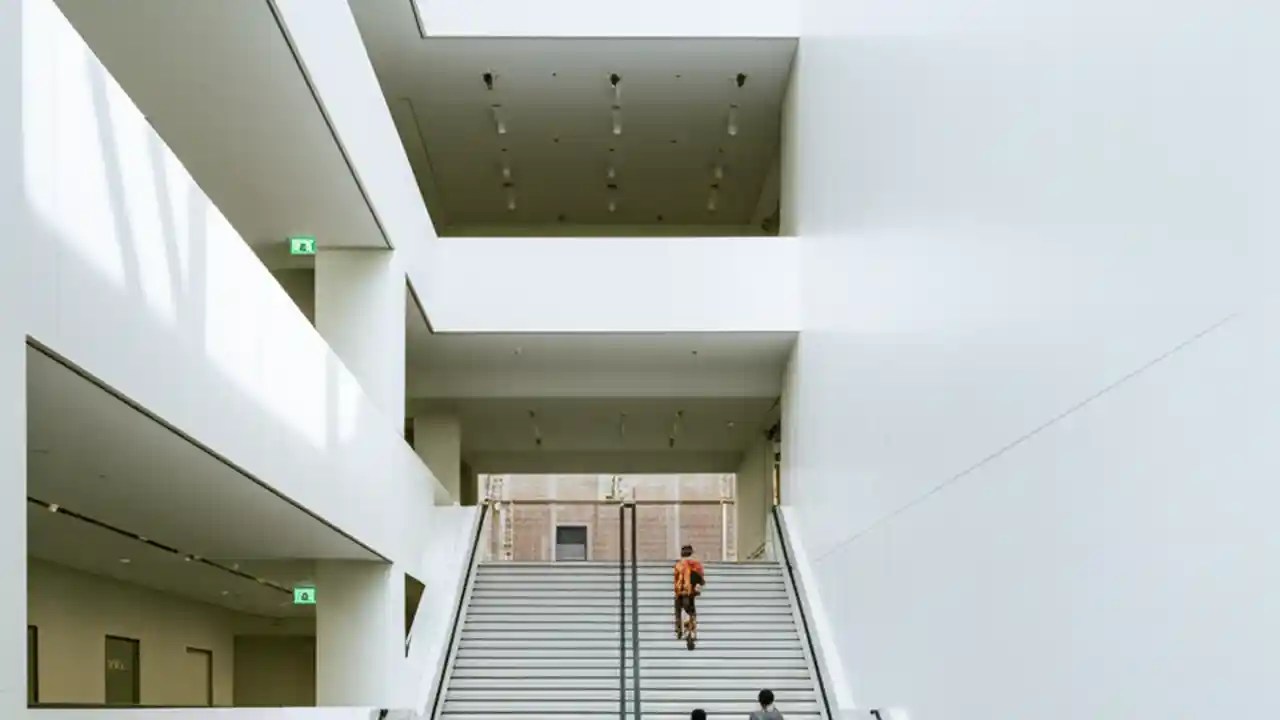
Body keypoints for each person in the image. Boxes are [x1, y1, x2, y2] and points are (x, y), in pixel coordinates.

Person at [673, 544, 705, 649]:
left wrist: (678, 590)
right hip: (690, 594)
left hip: (680, 594)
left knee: (678, 609)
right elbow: (701, 580)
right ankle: (692, 632)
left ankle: (679, 628)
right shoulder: (696, 565)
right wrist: (697, 590)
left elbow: (676, 580)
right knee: (691, 612)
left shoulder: (678, 565)